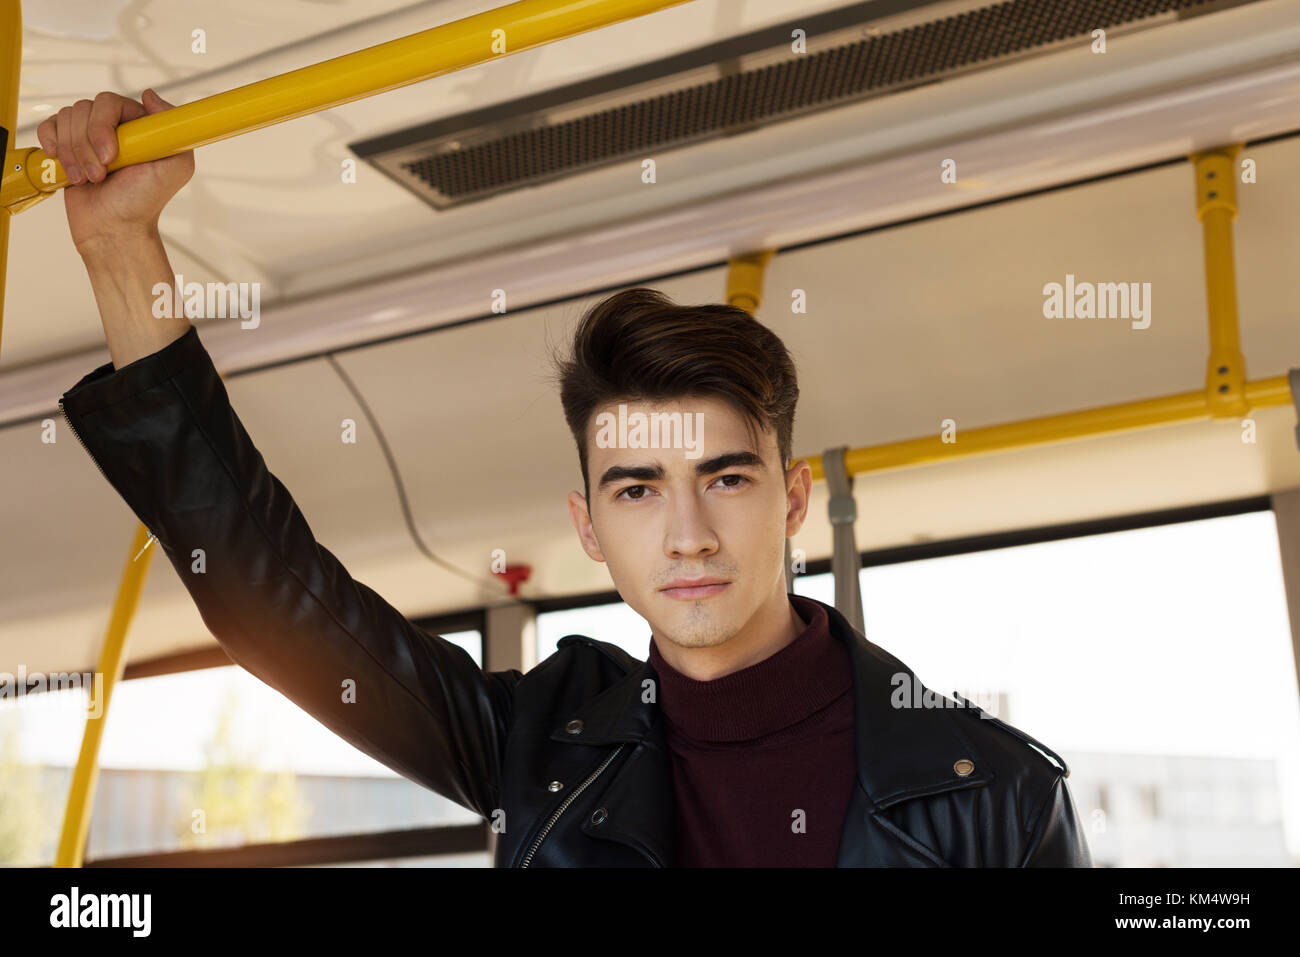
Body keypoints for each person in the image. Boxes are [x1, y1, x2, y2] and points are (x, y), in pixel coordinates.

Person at [47, 90, 1092, 867]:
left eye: (723, 479)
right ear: (587, 527)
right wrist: (121, 250)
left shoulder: (990, 790)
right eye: (636, 490)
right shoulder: (539, 747)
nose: (686, 534)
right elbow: (277, 603)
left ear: (793, 497)